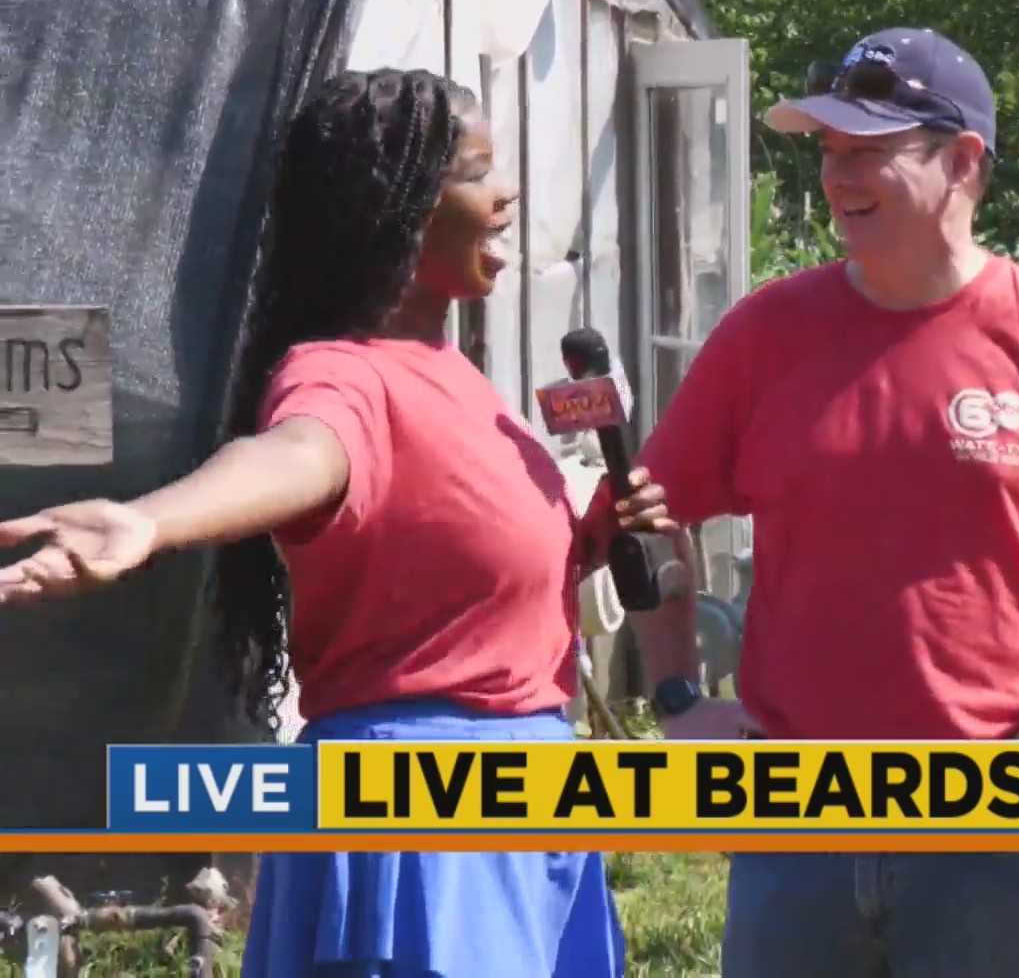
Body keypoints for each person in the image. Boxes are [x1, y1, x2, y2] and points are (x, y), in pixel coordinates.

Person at [0, 68, 664, 978]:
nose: (507, 195)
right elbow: (301, 456)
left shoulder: (452, 371)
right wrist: (150, 523)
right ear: (393, 209)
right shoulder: (341, 376)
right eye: (474, 172)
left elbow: (457, 581)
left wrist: (588, 534)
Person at [623, 27, 1019, 978]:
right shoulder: (766, 336)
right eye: (826, 150)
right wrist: (678, 699)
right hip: (797, 818)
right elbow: (648, 518)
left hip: (1003, 814)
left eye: (868, 152)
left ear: (963, 161)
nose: (835, 177)